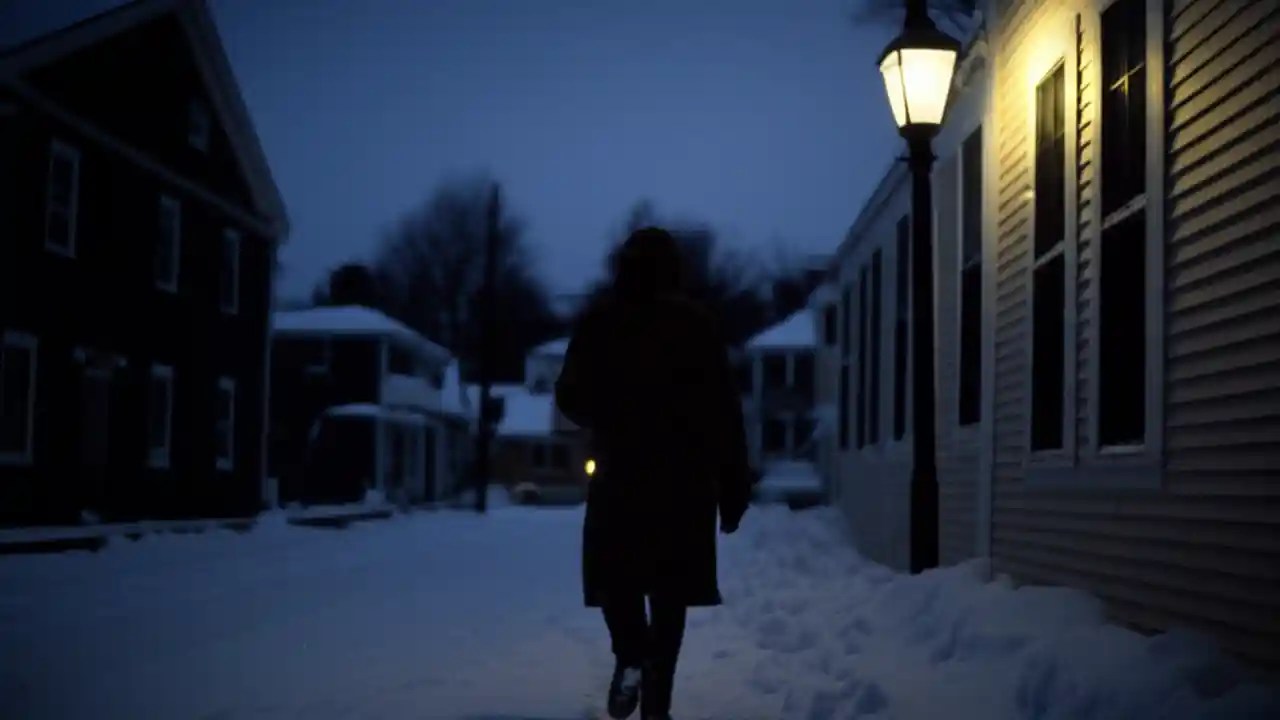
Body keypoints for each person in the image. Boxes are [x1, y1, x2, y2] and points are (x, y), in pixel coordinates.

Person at [554, 226, 752, 720]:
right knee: (670, 595)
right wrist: (733, 485)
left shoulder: (601, 322)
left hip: (620, 474)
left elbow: (569, 396)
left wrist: (607, 411)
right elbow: (723, 410)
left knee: (615, 580)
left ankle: (628, 653)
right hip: (684, 482)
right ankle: (656, 706)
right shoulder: (696, 325)